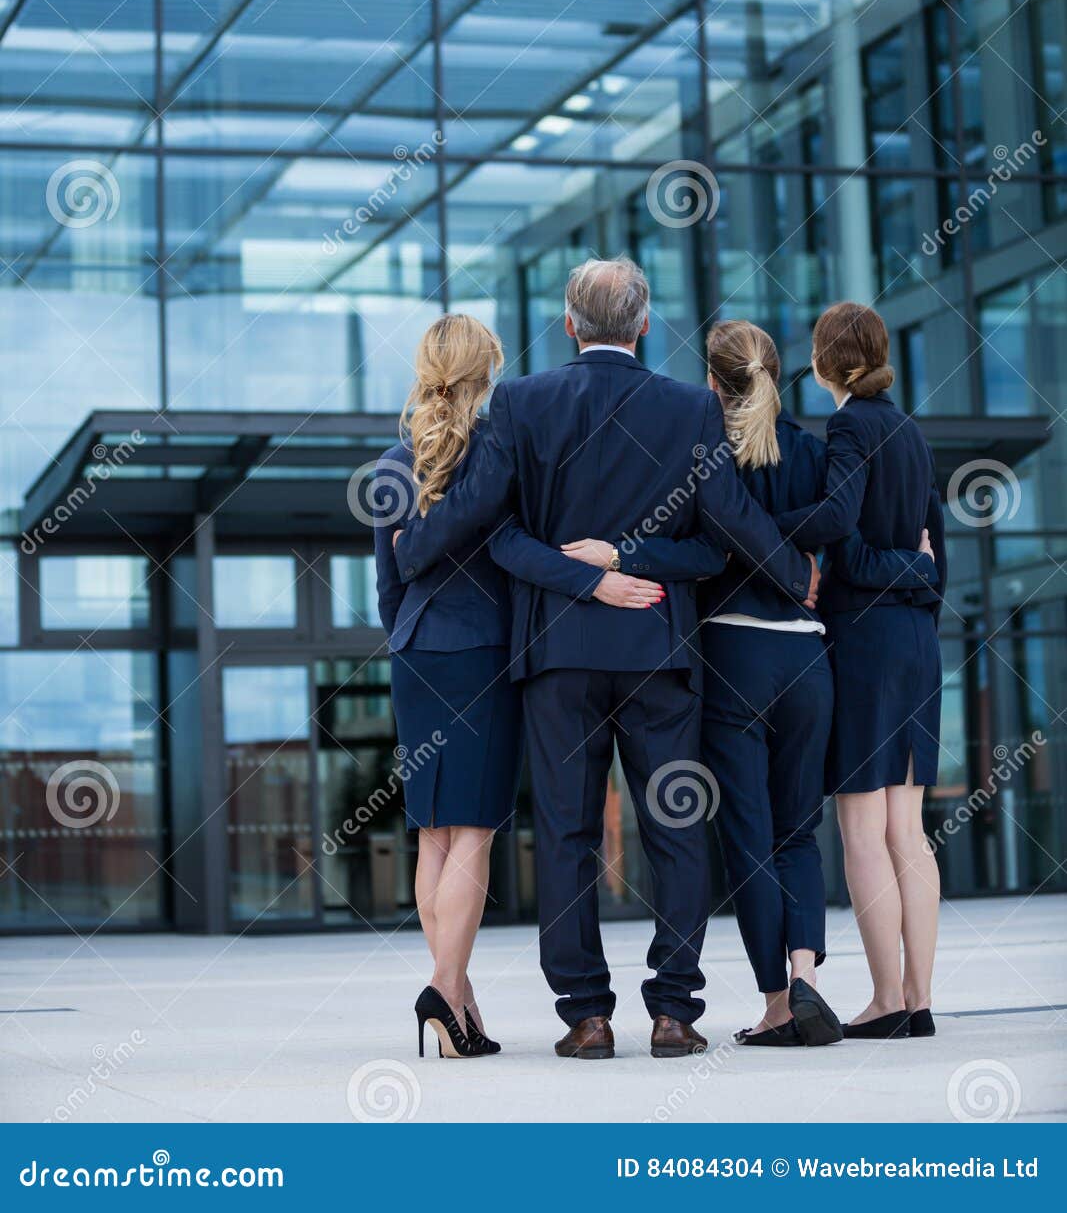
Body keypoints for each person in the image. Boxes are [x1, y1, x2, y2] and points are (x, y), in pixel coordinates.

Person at [393, 258, 819, 1061]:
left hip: (557, 656)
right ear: (645, 324)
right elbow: (722, 529)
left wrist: (420, 550)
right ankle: (673, 1012)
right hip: (658, 650)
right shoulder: (691, 408)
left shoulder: (521, 402)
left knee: (565, 835)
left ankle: (586, 1017)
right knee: (675, 829)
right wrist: (794, 576)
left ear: (567, 324)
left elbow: (492, 527)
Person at [538, 320, 932, 1048]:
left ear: (712, 384)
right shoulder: (815, 450)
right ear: (779, 376)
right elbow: (836, 532)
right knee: (797, 836)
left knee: (748, 840)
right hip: (808, 664)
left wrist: (623, 554)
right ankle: (807, 971)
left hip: (733, 662)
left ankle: (779, 1005)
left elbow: (698, 550)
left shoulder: (702, 454)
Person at [776, 302, 946, 1041]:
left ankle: (884, 999)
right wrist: (915, 570)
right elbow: (939, 564)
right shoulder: (910, 429)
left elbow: (842, 539)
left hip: (867, 641)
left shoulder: (847, 426)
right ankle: (918, 997)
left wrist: (768, 533)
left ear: (821, 363)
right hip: (917, 641)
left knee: (860, 828)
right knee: (907, 831)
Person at [373, 314, 524, 1061]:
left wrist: (410, 640)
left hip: (415, 658)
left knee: (433, 832)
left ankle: (458, 1004)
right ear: (483, 374)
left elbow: (387, 591)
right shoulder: (497, 455)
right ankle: (443, 986)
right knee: (474, 831)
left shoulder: (390, 467)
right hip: (481, 655)